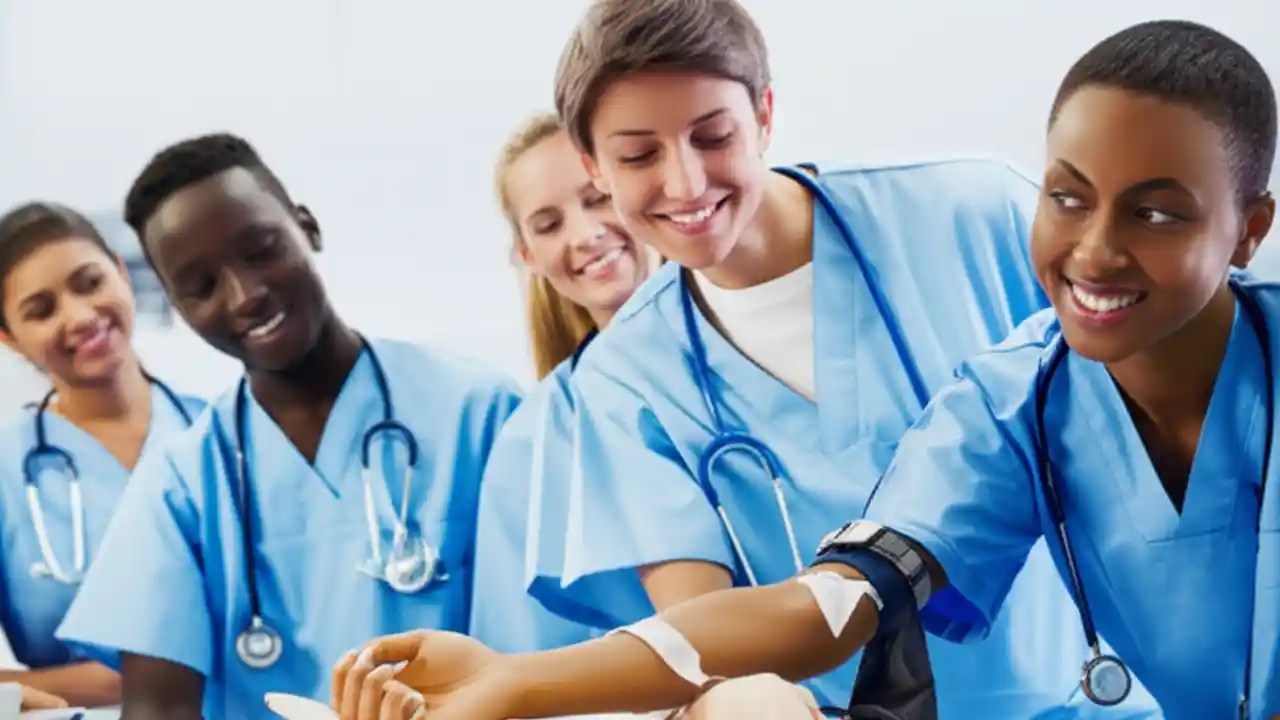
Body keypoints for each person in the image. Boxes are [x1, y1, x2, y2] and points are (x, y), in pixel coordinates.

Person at [332, 17, 1275, 720]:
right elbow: (829, 602)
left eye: (1157, 213)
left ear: (1250, 229)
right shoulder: (1006, 406)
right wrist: (516, 682)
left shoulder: (961, 213)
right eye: (1069, 199)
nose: (1095, 253)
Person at [52, 133, 524, 719]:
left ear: (308, 227)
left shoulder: (479, 414)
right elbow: (157, 711)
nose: (245, 294)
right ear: (178, 309)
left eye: (260, 249)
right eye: (201, 286)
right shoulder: (181, 484)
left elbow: (542, 662)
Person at [466, 112, 658, 655]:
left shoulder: (754, 358)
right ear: (528, 254)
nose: (585, 234)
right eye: (549, 225)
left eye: (596, 198)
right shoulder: (533, 445)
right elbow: (526, 663)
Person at [0, 202, 204, 707]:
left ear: (121, 272)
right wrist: (137, 678)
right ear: (8, 337)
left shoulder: (222, 432)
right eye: (41, 310)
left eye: (89, 282)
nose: (79, 315)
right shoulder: (7, 472)